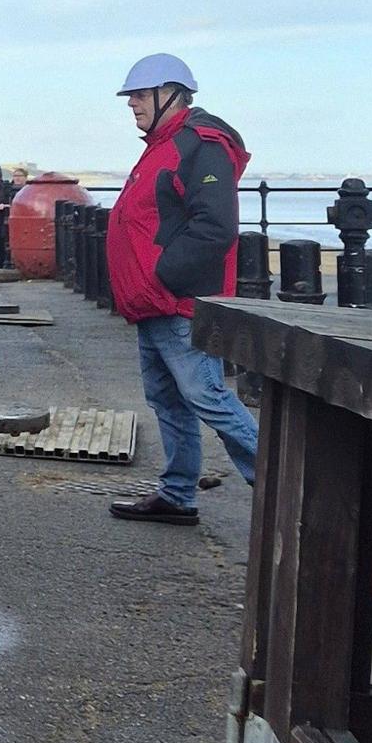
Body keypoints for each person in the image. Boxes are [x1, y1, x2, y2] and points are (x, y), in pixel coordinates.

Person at [105, 53, 259, 525]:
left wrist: (161, 276)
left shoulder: (201, 145)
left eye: (138, 95)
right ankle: (177, 494)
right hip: (152, 302)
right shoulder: (164, 144)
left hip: (175, 301)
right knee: (169, 400)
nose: (131, 103)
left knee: (208, 396)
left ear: (169, 94)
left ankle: (292, 494)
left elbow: (215, 227)